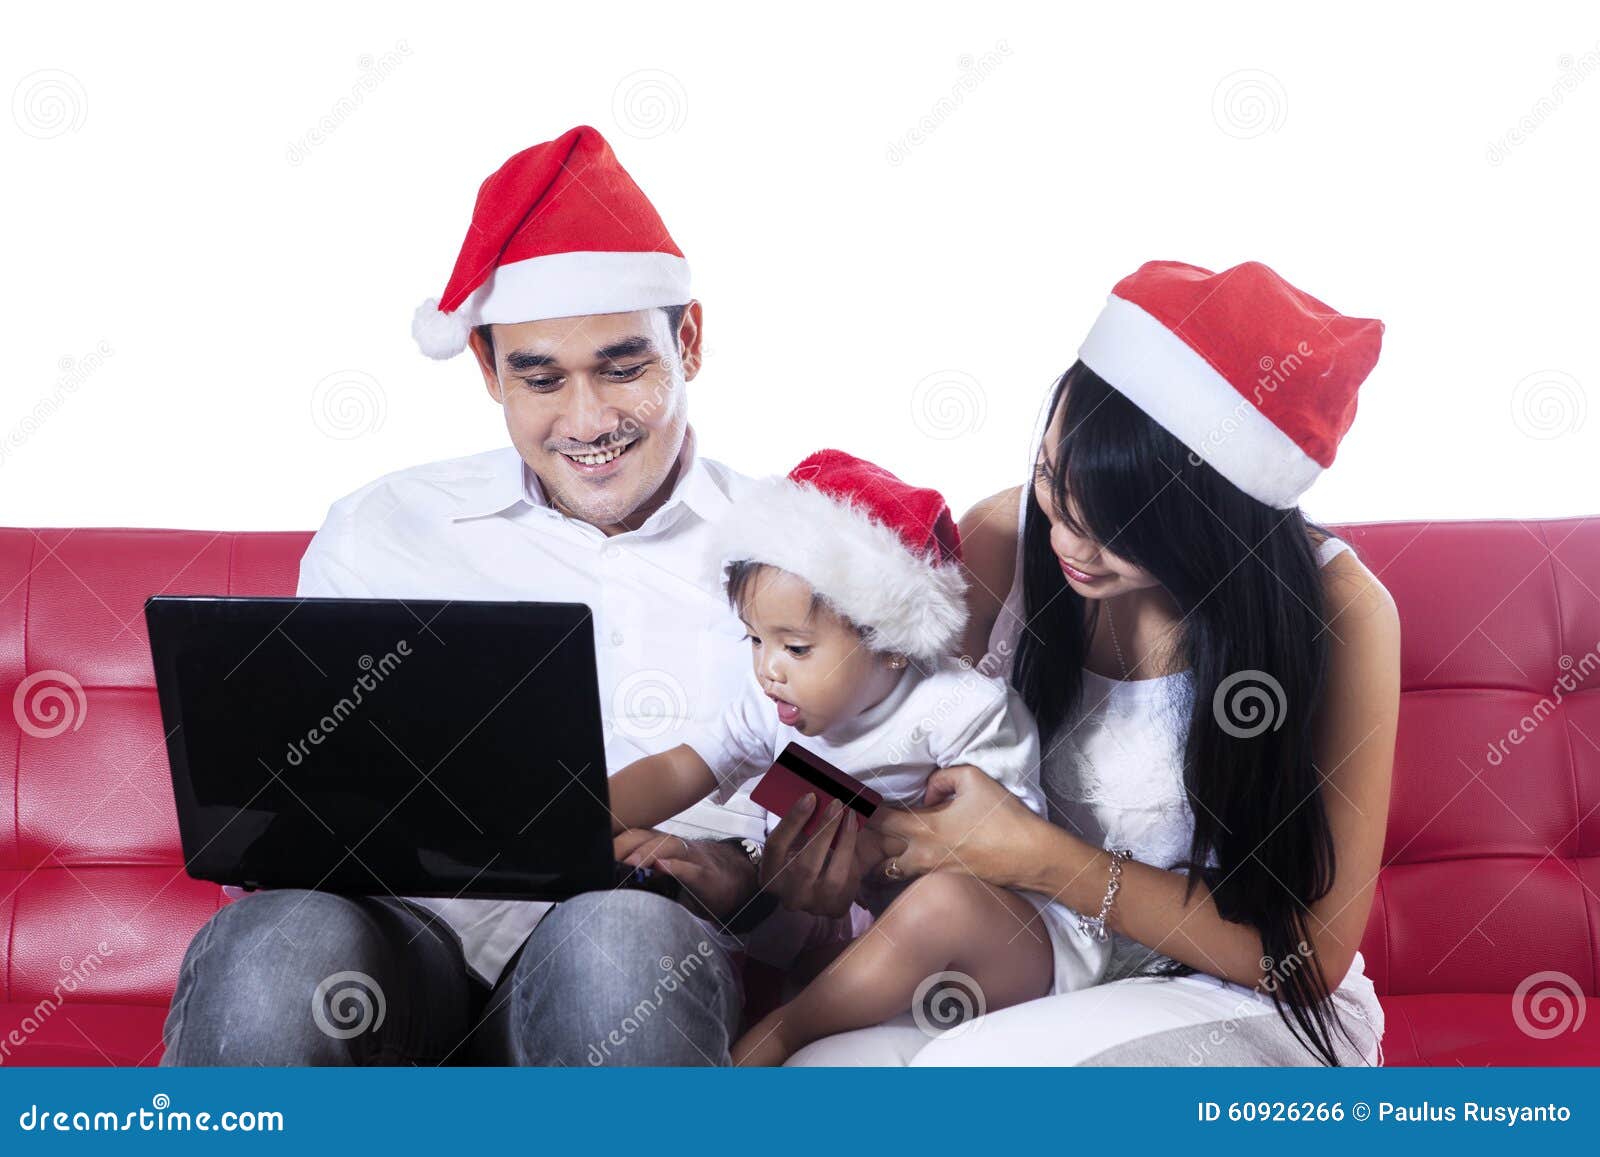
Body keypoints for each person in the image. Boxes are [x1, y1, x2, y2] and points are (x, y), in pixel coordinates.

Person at [159, 125, 828, 1066]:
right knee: (276, 951)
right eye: (541, 377)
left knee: (617, 942)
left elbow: (825, 859)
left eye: (623, 366)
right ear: (487, 370)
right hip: (394, 952)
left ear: (689, 341)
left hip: (632, 944)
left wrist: (743, 881)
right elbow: (289, 821)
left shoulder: (797, 556)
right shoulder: (384, 527)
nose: (588, 420)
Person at [791, 259, 1399, 1066]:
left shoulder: (1341, 613)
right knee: (821, 1075)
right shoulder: (1005, 543)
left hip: (1238, 999)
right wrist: (854, 864)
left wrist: (1042, 856)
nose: (1067, 544)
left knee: (969, 1074)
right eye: (1051, 479)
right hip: (1032, 960)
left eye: (1118, 527)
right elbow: (911, 773)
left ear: (1217, 525)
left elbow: (1309, 957)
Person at [605, 449, 1111, 1065]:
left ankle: (787, 1031)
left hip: (1009, 941)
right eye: (755, 639)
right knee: (796, 927)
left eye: (795, 646)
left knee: (937, 905)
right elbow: (678, 766)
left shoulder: (959, 707)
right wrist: (580, 822)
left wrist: (881, 844)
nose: (768, 669)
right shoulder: (770, 701)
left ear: (891, 643)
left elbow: (1010, 850)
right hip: (878, 936)